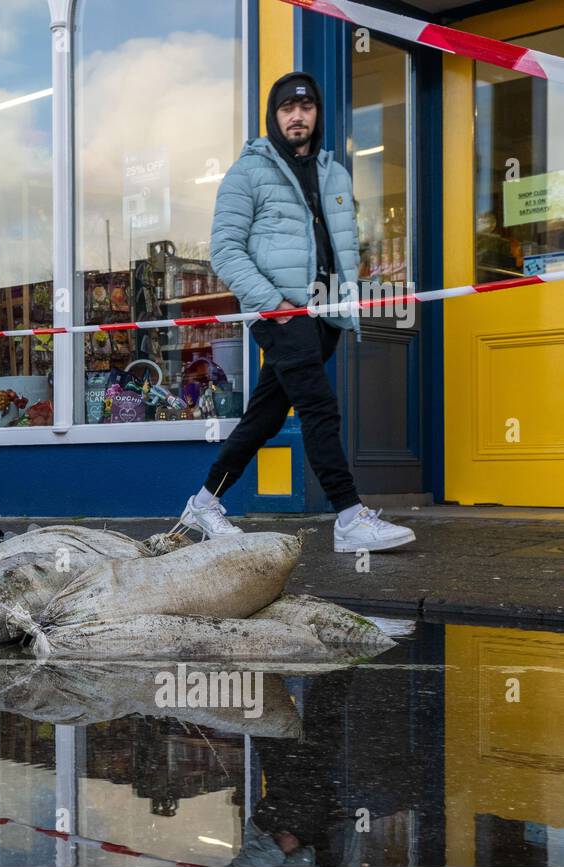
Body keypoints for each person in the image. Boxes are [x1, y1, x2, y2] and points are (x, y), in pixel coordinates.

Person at [178, 72, 415, 554]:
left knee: (264, 416)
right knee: (318, 407)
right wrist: (273, 304)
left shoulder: (335, 173)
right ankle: (349, 516)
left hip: (325, 314)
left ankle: (204, 502)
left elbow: (342, 245)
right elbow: (224, 250)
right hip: (282, 315)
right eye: (287, 108)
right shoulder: (248, 172)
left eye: (305, 108)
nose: (297, 116)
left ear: (317, 115)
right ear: (274, 115)